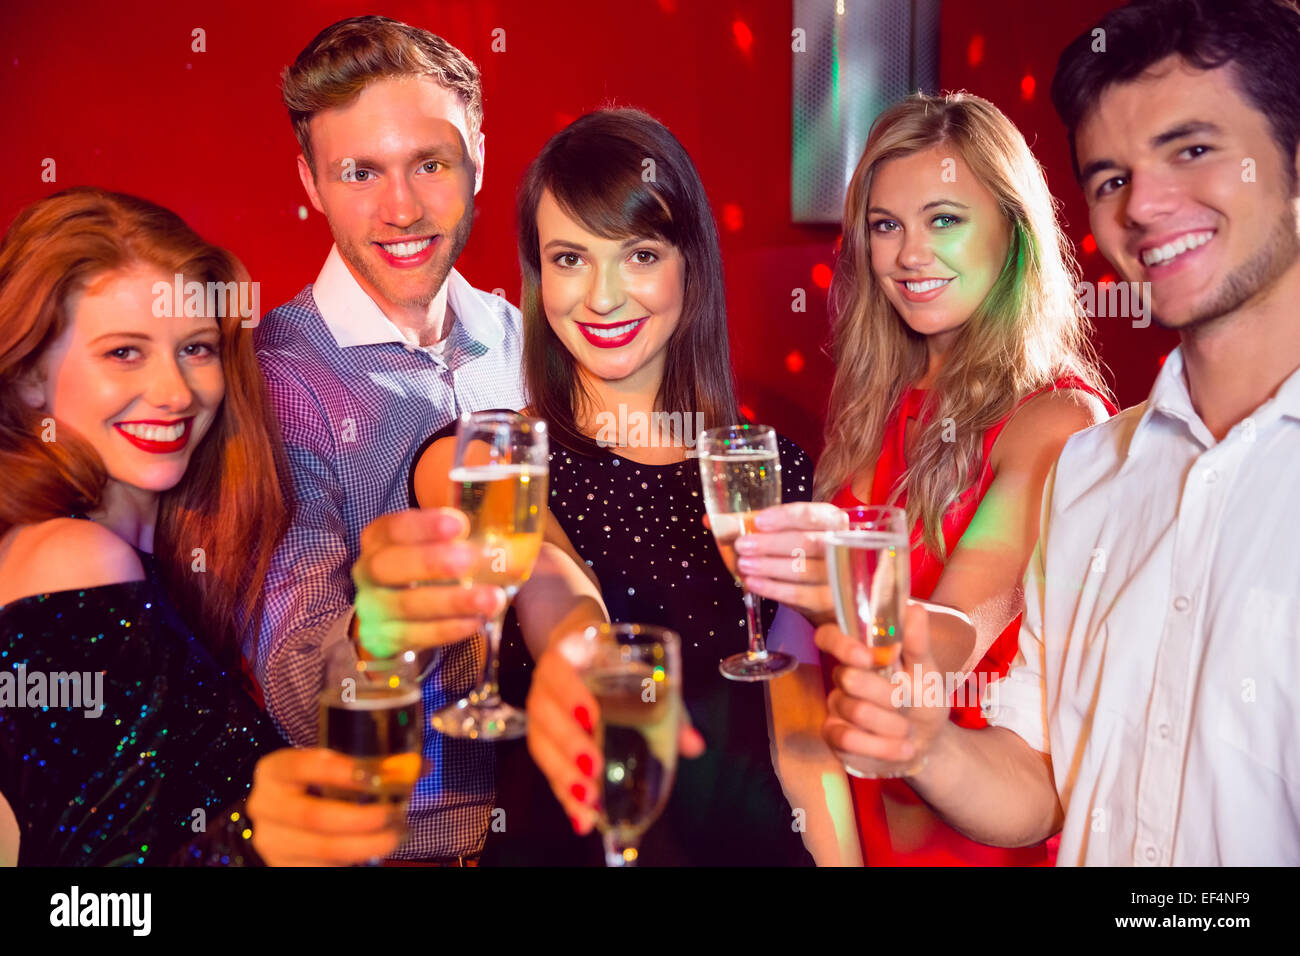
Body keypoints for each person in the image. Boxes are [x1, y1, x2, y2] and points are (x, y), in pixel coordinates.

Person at [818, 0, 1300, 865]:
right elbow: (1042, 786)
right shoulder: (1096, 474)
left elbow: (967, 617)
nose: (1146, 204)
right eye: (1111, 177)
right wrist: (920, 743)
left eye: (1193, 149)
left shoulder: (1057, 424)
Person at [418, 108, 830, 865]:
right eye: (570, 259)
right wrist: (587, 659)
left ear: (690, 265)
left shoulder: (770, 472)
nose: (603, 297)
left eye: (638, 254)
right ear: (538, 276)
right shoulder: (479, 456)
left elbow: (802, 744)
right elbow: (549, 577)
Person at [250, 16, 603, 865]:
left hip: (561, 828)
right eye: (359, 171)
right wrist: (381, 634)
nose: (400, 208)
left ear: (479, 151)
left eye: (430, 164)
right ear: (310, 180)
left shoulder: (538, 342)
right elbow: (297, 687)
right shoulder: (271, 382)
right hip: (396, 850)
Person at [735, 91, 1117, 865]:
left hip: (984, 831)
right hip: (859, 832)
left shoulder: (1057, 423)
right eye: (886, 225)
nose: (911, 254)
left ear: (1011, 230)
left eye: (944, 219)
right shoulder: (869, 413)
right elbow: (800, 679)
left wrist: (833, 593)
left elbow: (949, 638)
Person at [0, 187, 406, 866]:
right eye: (124, 352)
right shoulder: (73, 559)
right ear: (30, 376)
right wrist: (251, 843)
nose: (175, 392)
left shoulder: (146, 556)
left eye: (195, 348)